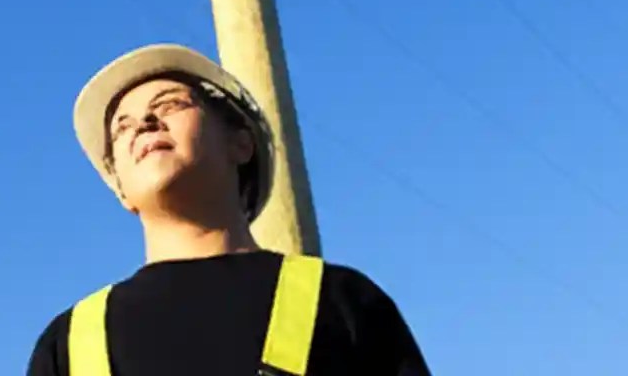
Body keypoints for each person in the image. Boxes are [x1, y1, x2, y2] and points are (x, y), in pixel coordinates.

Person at [26, 43, 430, 376]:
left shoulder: (341, 300)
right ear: (121, 192)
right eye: (122, 127)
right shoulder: (69, 345)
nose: (145, 123)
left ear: (240, 143)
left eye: (170, 105)